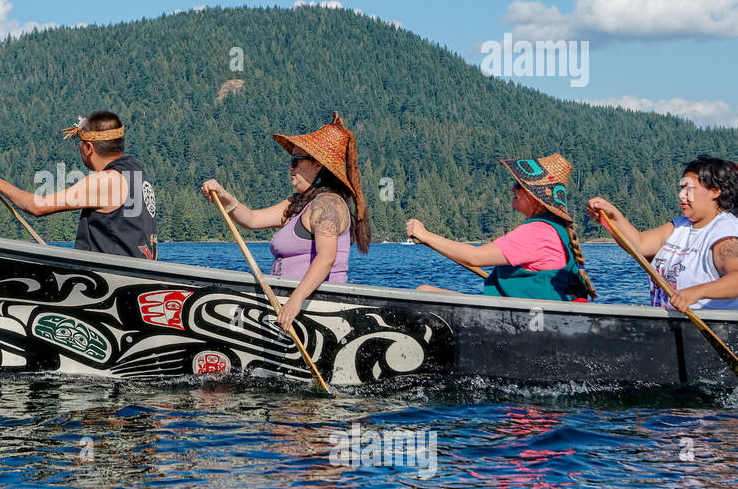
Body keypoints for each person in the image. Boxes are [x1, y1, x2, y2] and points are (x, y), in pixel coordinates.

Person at [201, 111, 372, 331]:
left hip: (316, 312)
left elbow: (326, 258)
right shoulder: (299, 203)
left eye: (295, 161)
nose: (290, 168)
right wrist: (223, 196)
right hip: (286, 306)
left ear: (317, 165)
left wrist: (296, 299)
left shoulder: (328, 204)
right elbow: (252, 219)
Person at [406, 153, 596, 301]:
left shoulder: (538, 232)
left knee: (422, 293)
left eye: (518, 185)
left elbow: (475, 257)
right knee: (425, 291)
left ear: (535, 197)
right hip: (524, 313)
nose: (513, 189)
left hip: (525, 321)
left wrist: (425, 234)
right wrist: (428, 239)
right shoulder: (553, 229)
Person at [0, 110, 158, 259]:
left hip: (112, 281)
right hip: (134, 277)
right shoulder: (136, 172)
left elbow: (37, 206)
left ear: (88, 148)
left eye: (79, 143)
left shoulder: (107, 181)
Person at [587, 155, 738, 311]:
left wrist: (699, 292)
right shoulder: (680, 226)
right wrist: (613, 218)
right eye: (681, 188)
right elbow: (639, 245)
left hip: (709, 330)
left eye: (689, 189)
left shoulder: (726, 232)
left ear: (714, 191)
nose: (681, 195)